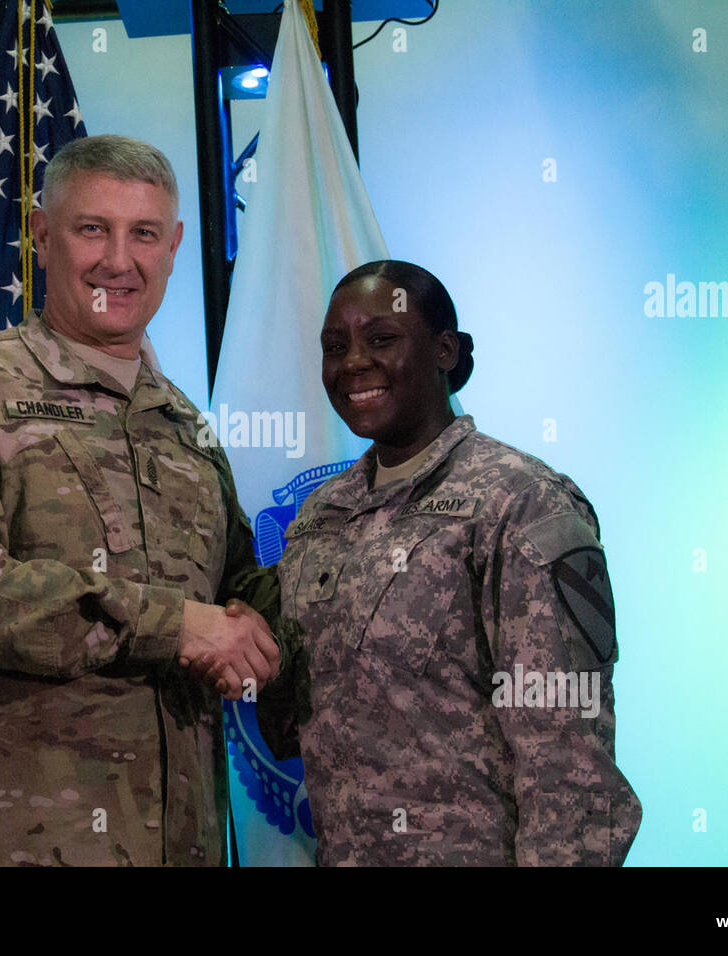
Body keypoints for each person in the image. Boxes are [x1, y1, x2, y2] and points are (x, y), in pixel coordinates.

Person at [0, 134, 279, 866]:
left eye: (143, 233)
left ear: (175, 245)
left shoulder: (184, 426)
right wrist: (171, 625)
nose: (119, 261)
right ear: (42, 234)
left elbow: (234, 593)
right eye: (93, 229)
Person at [197, 259, 641, 865]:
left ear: (444, 350)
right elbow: (299, 716)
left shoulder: (519, 501)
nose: (354, 361)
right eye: (335, 346)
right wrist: (245, 660)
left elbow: (568, 762)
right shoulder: (321, 517)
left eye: (382, 339)